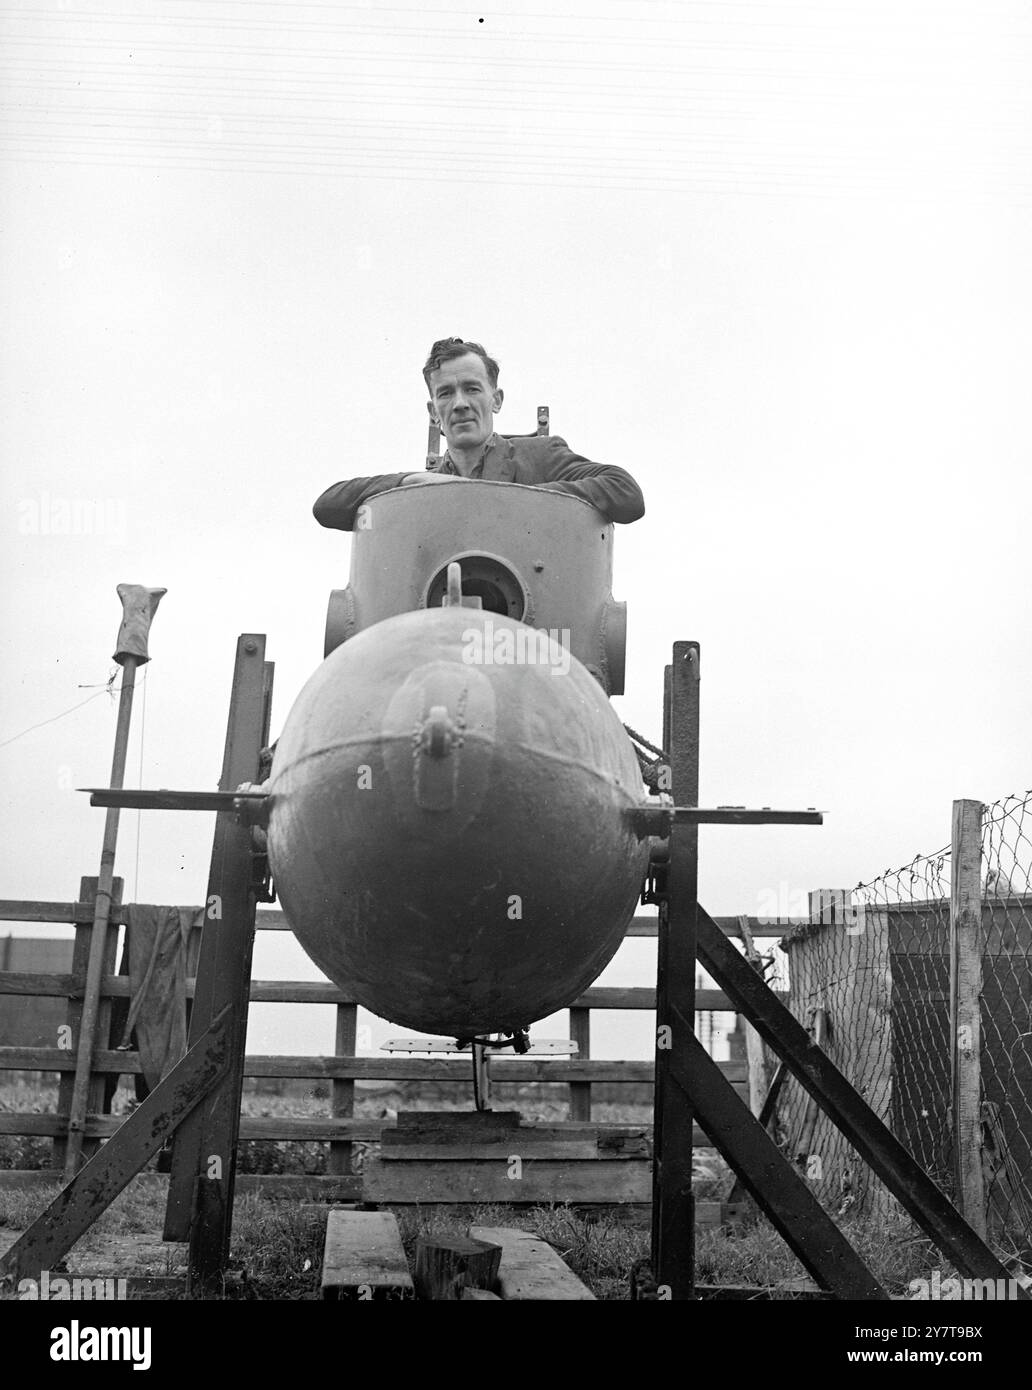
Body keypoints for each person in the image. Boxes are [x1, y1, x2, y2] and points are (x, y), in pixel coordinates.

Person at [313, 338, 645, 530]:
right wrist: (411, 483)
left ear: (496, 400)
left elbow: (625, 493)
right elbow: (327, 506)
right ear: (434, 413)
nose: (459, 404)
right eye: (445, 394)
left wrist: (501, 498)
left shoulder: (540, 455)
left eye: (472, 389)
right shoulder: (421, 492)